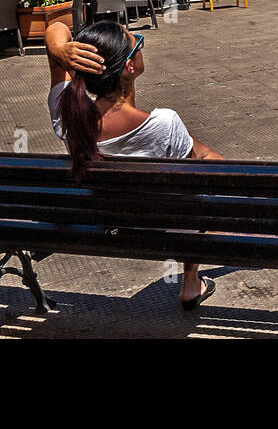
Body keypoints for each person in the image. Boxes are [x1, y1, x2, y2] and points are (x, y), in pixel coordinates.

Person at [44, 19, 223, 309]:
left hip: (107, 219)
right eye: (136, 42)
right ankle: (191, 281)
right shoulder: (164, 123)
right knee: (194, 198)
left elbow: (56, 26)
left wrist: (60, 49)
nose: (140, 45)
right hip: (164, 224)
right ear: (129, 67)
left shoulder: (68, 114)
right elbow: (197, 178)